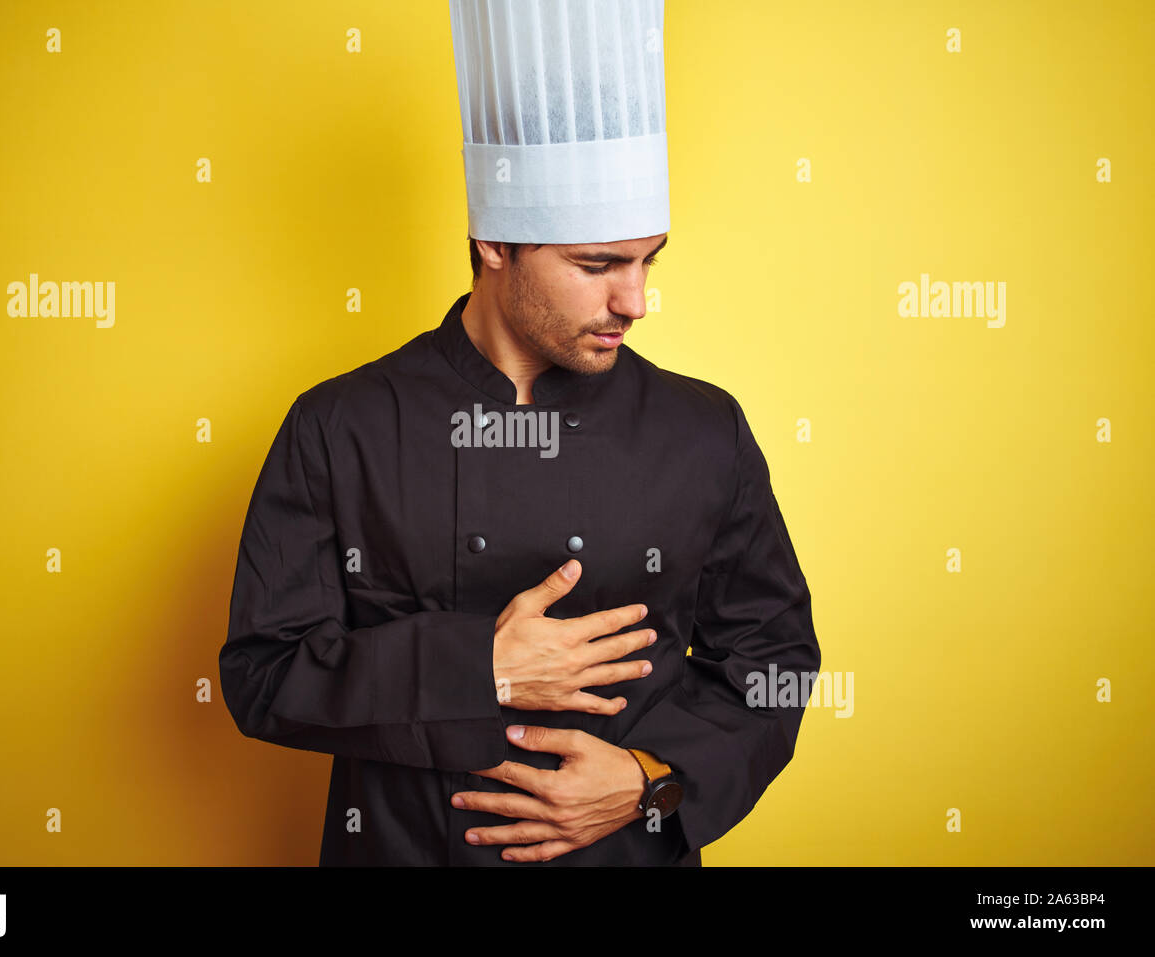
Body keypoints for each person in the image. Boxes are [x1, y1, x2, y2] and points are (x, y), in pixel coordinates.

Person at [218, 0, 820, 866]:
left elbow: (774, 661)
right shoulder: (340, 425)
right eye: (597, 265)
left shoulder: (703, 430)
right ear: (494, 242)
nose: (636, 301)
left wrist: (652, 779)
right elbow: (261, 677)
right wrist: (479, 669)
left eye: (650, 259)